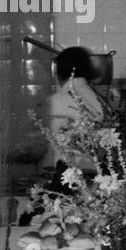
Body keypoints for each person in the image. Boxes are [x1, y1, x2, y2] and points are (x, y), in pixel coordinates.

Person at [42, 46, 105, 176]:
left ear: (59, 72)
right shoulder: (99, 99)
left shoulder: (56, 101)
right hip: (98, 173)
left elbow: (46, 144)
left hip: (67, 174)